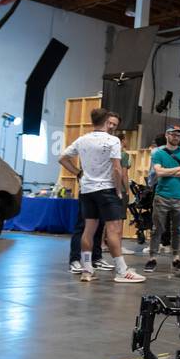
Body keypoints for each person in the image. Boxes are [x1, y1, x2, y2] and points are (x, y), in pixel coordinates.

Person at [58, 107, 145, 284]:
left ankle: (87, 269)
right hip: (106, 190)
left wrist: (78, 173)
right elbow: (116, 168)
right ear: (106, 121)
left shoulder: (82, 140)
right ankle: (121, 271)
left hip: (87, 190)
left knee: (88, 230)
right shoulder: (112, 140)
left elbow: (62, 158)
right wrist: (119, 190)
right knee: (113, 231)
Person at [144, 124, 180, 273]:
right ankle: (152, 258)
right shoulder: (158, 153)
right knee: (157, 229)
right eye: (173, 134)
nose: (176, 137)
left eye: (178, 135)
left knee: (177, 230)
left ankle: (176, 258)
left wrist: (168, 171)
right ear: (167, 135)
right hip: (162, 196)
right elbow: (158, 172)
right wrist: (178, 169)